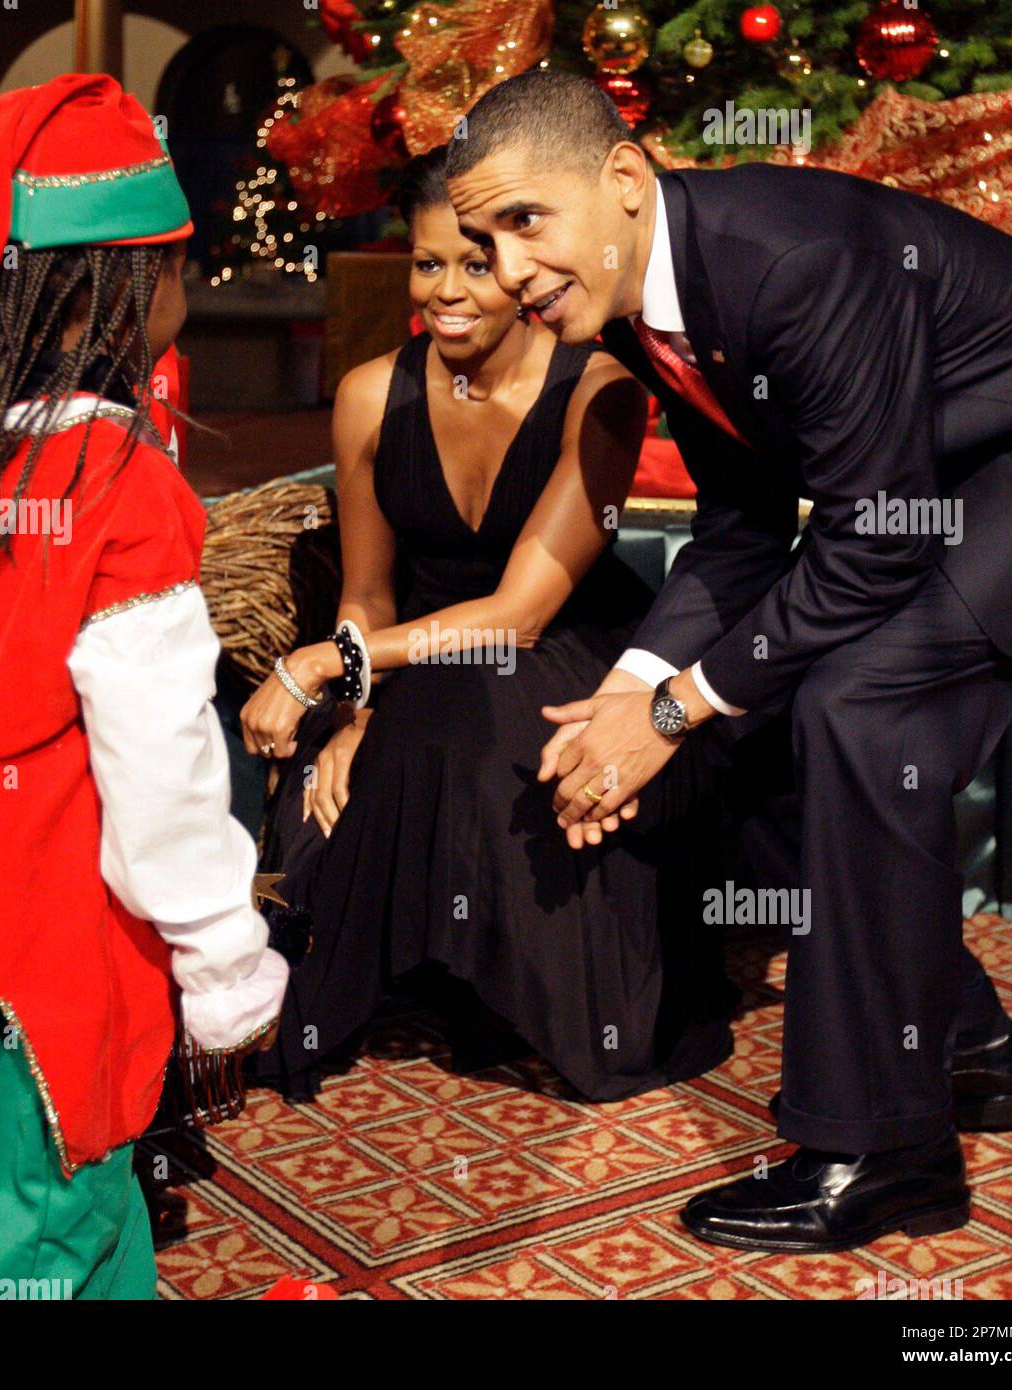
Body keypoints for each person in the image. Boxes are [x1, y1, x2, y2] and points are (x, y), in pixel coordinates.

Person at [444, 69, 1012, 1252]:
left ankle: (886, 1151)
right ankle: (962, 1037)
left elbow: (868, 538)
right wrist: (632, 693)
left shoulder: (788, 257)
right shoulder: (637, 301)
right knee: (792, 717)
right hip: (933, 479)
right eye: (480, 239)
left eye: (524, 220)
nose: (505, 268)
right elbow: (743, 522)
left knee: (858, 712)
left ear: (623, 179)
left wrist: (677, 709)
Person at [0, 74, 288, 1300]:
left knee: (63, 1205)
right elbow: (159, 754)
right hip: (59, 934)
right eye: (174, 263)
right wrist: (220, 946)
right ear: (118, 284)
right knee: (32, 1251)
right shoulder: (119, 479)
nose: (187, 289)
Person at [240, 146, 737, 1104]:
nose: (451, 293)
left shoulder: (600, 389)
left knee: (476, 713)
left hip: (565, 648)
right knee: (367, 756)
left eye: (477, 264)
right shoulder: (368, 394)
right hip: (412, 653)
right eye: (429, 265)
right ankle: (440, 966)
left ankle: (538, 990)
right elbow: (370, 592)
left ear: (518, 268)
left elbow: (517, 617)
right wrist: (353, 711)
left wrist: (326, 666)